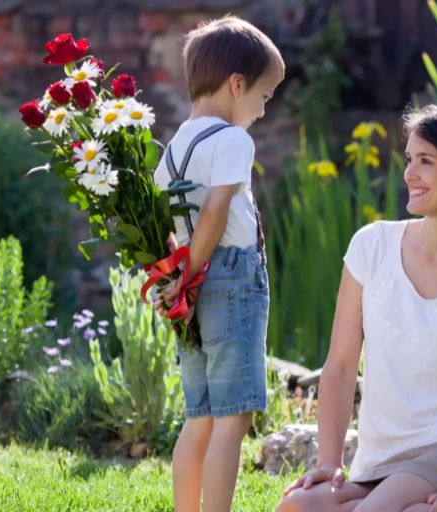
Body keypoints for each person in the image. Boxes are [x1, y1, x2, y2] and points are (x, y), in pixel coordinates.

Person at [277, 101, 437, 512]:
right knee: (298, 506)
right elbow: (341, 367)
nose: (409, 173)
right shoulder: (372, 246)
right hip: (383, 462)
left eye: (426, 161)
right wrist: (329, 461)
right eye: (409, 159)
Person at [152, 15, 284, 512]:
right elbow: (216, 209)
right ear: (236, 85)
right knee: (234, 416)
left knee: (201, 416)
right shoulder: (232, 140)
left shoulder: (173, 150)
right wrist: (189, 274)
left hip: (193, 285)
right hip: (228, 278)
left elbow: (169, 223)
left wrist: (179, 279)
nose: (263, 111)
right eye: (264, 97)